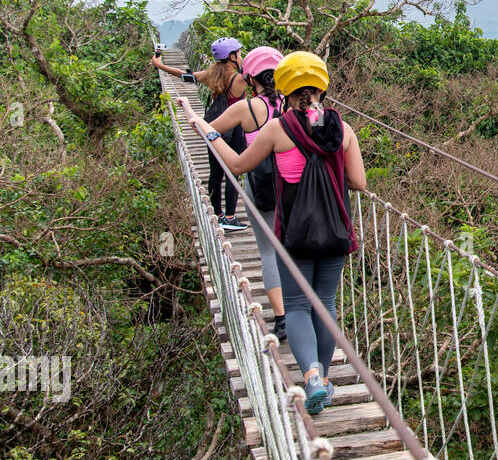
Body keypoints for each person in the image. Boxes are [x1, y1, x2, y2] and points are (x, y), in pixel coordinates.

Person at [178, 52, 366, 415]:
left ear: (285, 89)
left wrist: (209, 130)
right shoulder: (344, 130)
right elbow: (357, 182)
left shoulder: (278, 129)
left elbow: (235, 165)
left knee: (296, 305)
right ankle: (324, 379)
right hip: (335, 233)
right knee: (324, 306)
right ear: (322, 88)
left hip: (293, 234)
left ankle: (310, 375)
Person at [198, 46, 288, 339]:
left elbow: (210, 132)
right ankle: (304, 308)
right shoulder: (294, 105)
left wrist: (197, 120)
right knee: (292, 248)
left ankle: (282, 317)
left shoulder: (246, 108)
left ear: (250, 78)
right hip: (295, 187)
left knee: (268, 250)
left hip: (260, 186)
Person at [155, 38, 249, 231]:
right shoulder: (240, 79)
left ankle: (218, 215)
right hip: (236, 128)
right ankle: (231, 217)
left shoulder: (211, 74)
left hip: (213, 127)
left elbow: (185, 76)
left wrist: (159, 64)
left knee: (215, 174)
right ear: (232, 57)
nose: (241, 56)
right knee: (234, 173)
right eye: (239, 53)